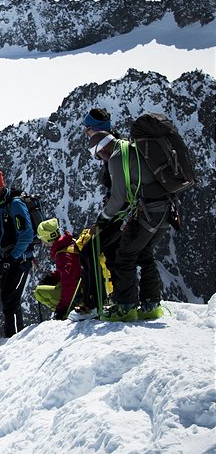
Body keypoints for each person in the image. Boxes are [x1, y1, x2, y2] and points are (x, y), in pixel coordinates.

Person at [88, 131, 171, 321]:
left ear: (102, 148)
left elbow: (117, 198)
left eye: (98, 154)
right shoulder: (131, 147)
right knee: (144, 252)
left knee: (124, 255)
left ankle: (125, 308)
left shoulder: (117, 158)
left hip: (150, 211)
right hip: (165, 209)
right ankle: (150, 306)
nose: (100, 158)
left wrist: (102, 220)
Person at [0, 167, 36, 336]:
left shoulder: (15, 204)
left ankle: (15, 339)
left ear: (1, 185)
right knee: (5, 297)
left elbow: (26, 234)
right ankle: (12, 336)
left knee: (10, 299)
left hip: (21, 258)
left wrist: (12, 258)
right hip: (8, 257)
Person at [33, 218, 82, 320]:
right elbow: (72, 270)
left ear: (46, 238)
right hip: (82, 288)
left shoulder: (62, 255)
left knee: (38, 292)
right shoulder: (69, 243)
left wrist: (62, 308)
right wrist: (54, 276)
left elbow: (70, 283)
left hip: (78, 293)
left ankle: (67, 312)